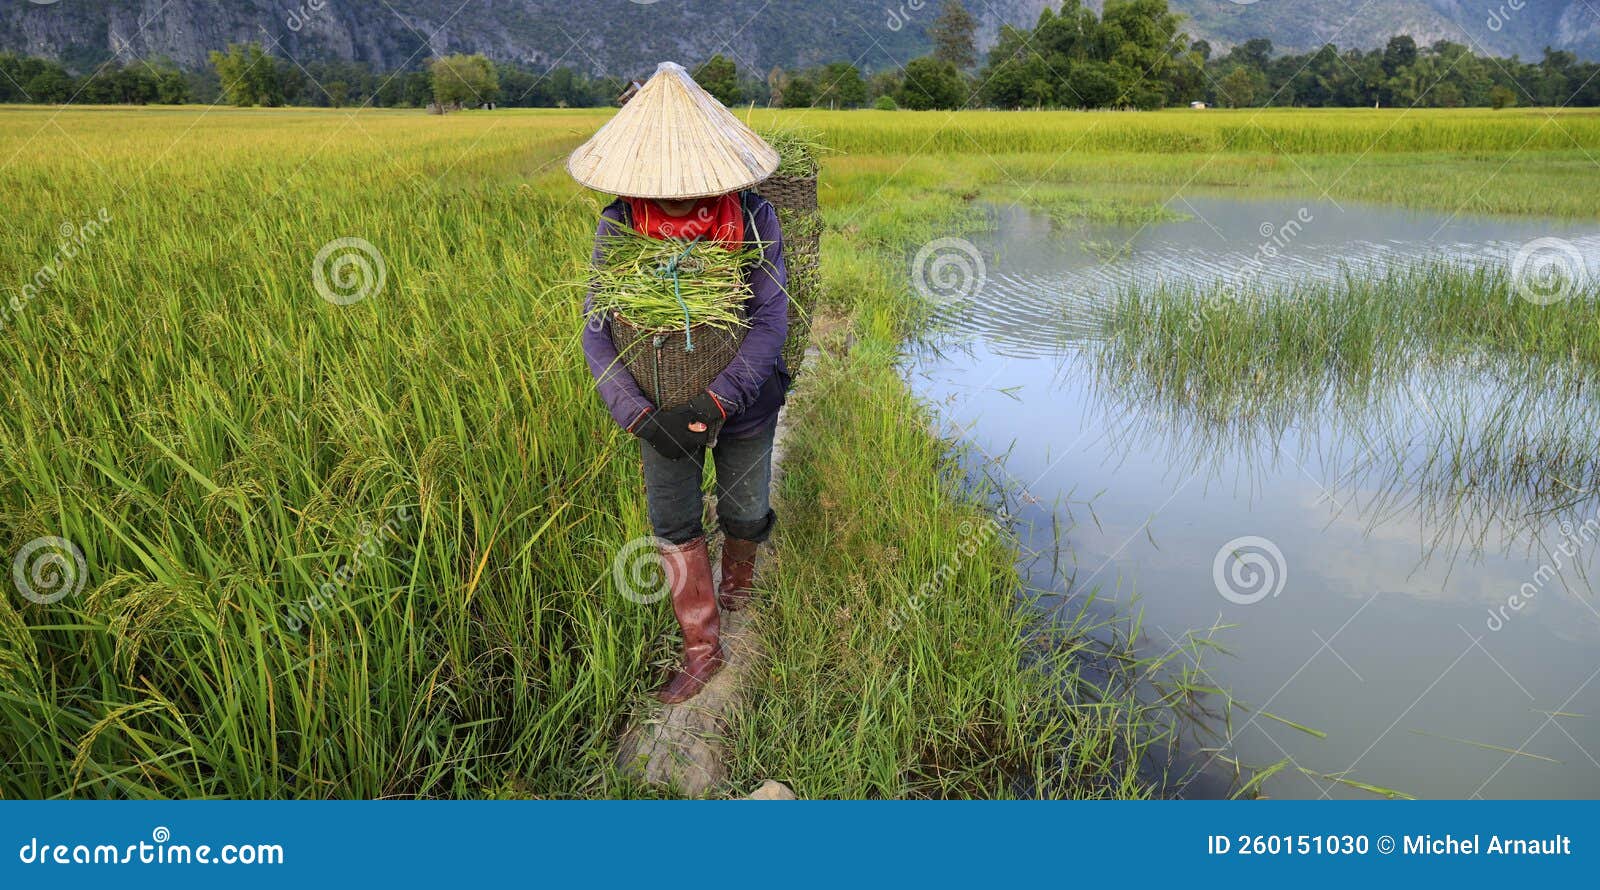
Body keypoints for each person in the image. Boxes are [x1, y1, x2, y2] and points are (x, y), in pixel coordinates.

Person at [568, 62, 790, 704]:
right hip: (658, 413)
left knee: (744, 508)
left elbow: (770, 320)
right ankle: (702, 648)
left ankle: (740, 581)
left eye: (688, 179)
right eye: (660, 180)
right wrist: (639, 415)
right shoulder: (619, 225)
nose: (675, 191)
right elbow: (595, 329)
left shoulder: (753, 219)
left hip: (743, 406)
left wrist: (719, 400)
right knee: (671, 519)